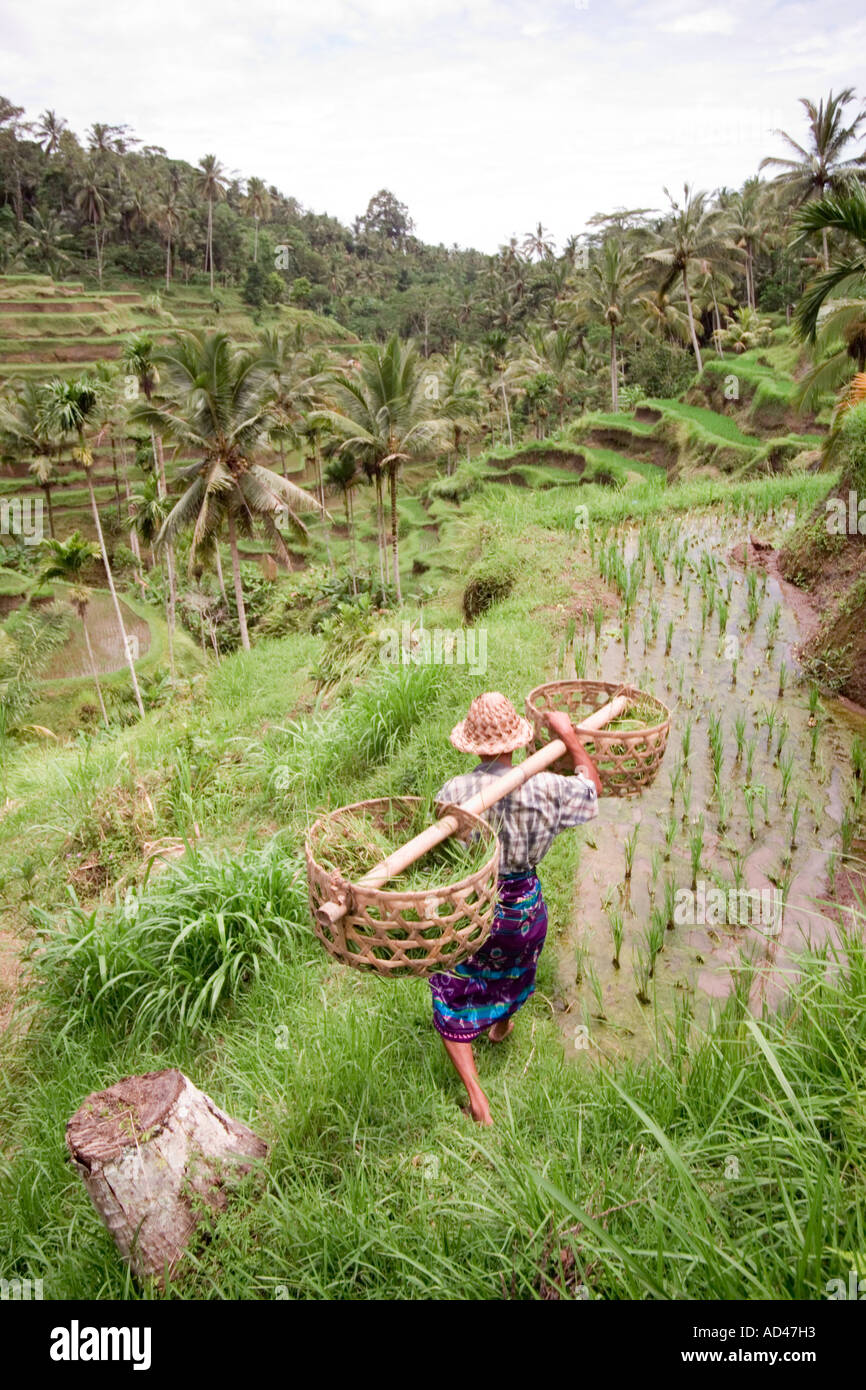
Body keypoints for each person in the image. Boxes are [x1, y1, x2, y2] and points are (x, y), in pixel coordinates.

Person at [429, 691, 602, 1126]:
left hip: (475, 909)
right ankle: (501, 1025)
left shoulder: (453, 794)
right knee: (513, 973)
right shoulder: (547, 787)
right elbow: (592, 789)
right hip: (524, 913)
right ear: (515, 743)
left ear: (473, 744)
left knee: (453, 986)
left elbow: (441, 853)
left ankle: (476, 1095)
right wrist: (568, 736)